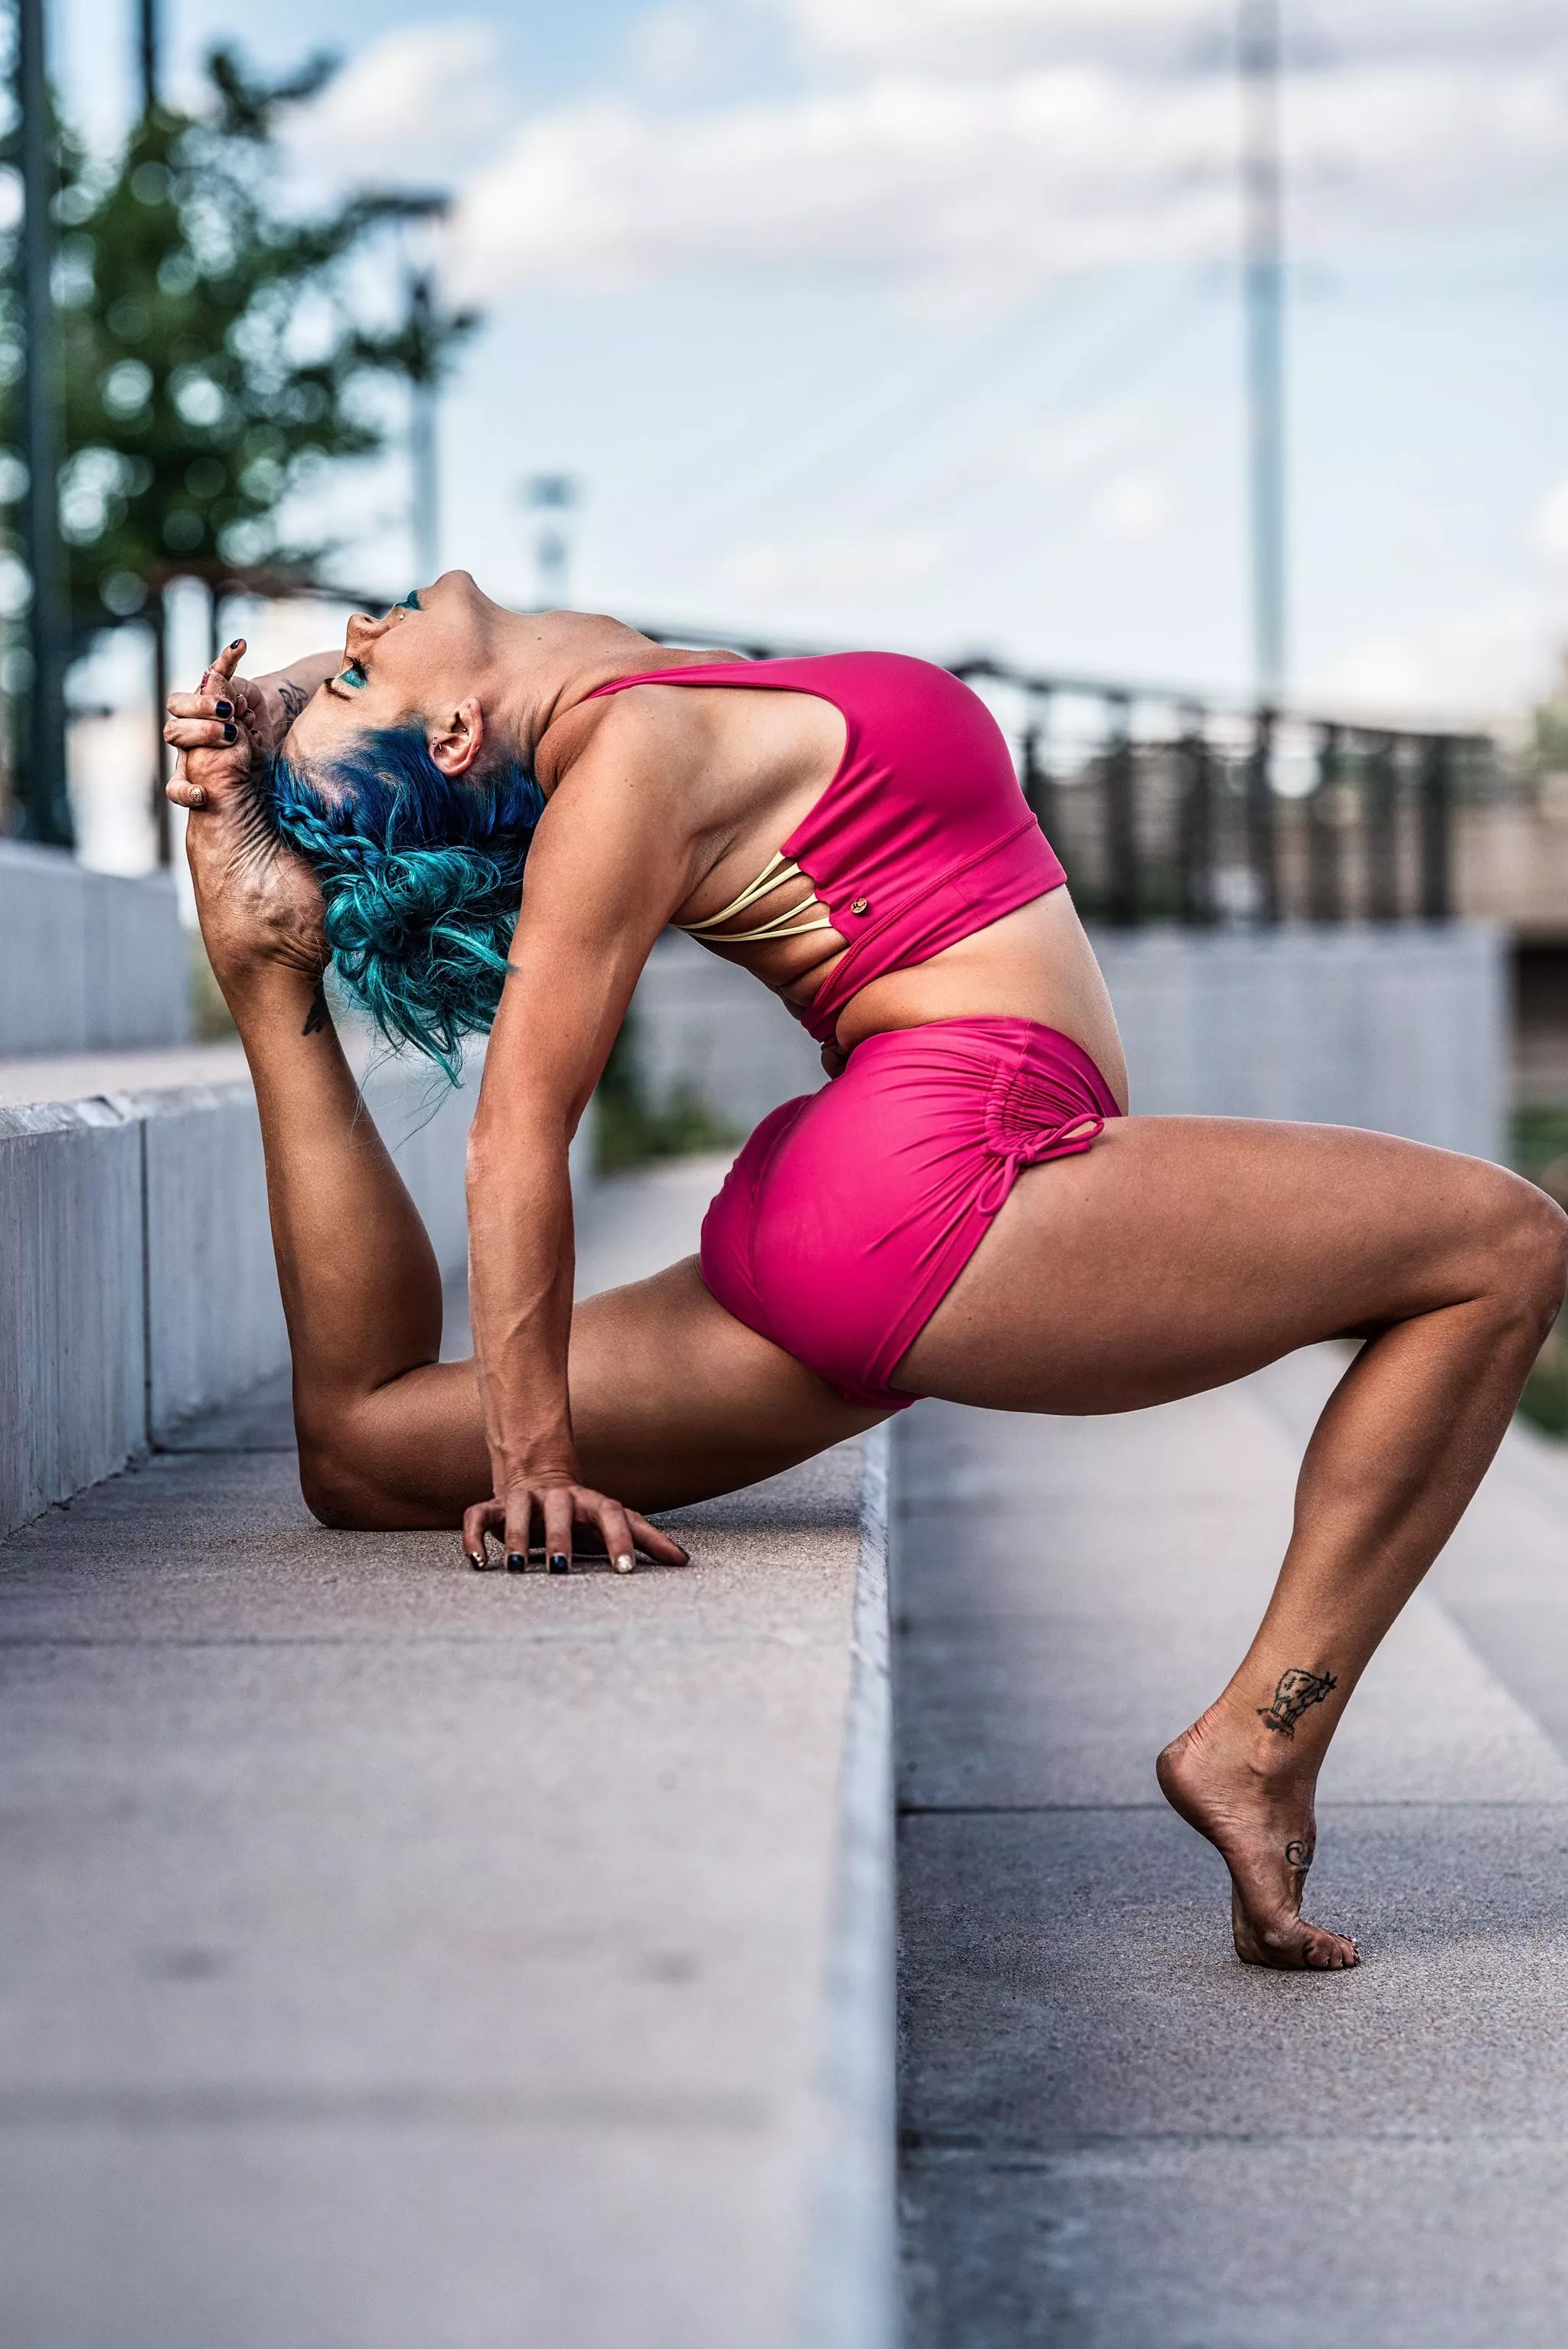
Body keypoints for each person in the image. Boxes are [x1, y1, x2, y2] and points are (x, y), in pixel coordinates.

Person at [164, 574, 1566, 1974]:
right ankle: (1266, 1741)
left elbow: (369, 701)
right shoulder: (633, 756)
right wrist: (535, 1460)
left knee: (364, 1446)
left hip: (862, 1196)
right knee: (1499, 1248)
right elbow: (517, 1136)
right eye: (354, 675)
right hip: (948, 1164)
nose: (347, 637)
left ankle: (264, 976)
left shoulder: (622, 696)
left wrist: (258, 725)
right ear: (461, 734)